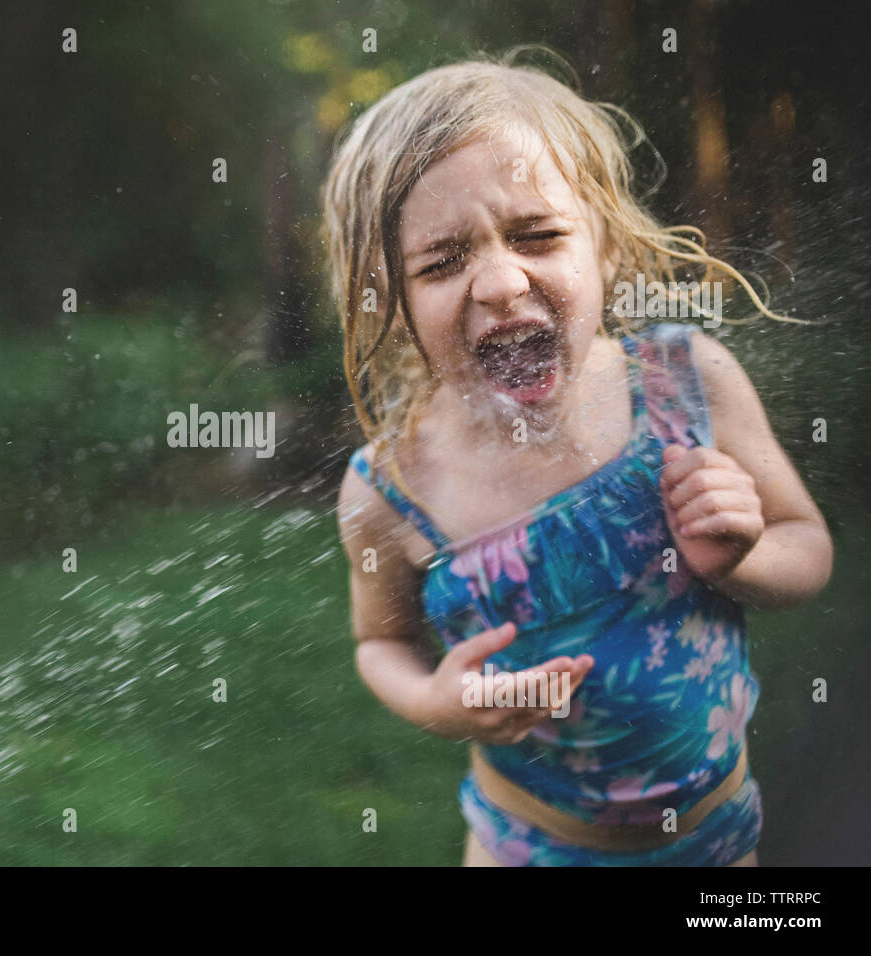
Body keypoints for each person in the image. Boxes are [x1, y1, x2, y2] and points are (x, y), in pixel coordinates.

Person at [321, 49, 833, 866]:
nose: (498, 281)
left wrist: (742, 557)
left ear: (604, 245)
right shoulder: (392, 490)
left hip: (716, 837)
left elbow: (807, 548)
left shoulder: (686, 387)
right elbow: (378, 644)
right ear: (391, 299)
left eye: (537, 234)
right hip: (524, 845)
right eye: (443, 261)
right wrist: (435, 701)